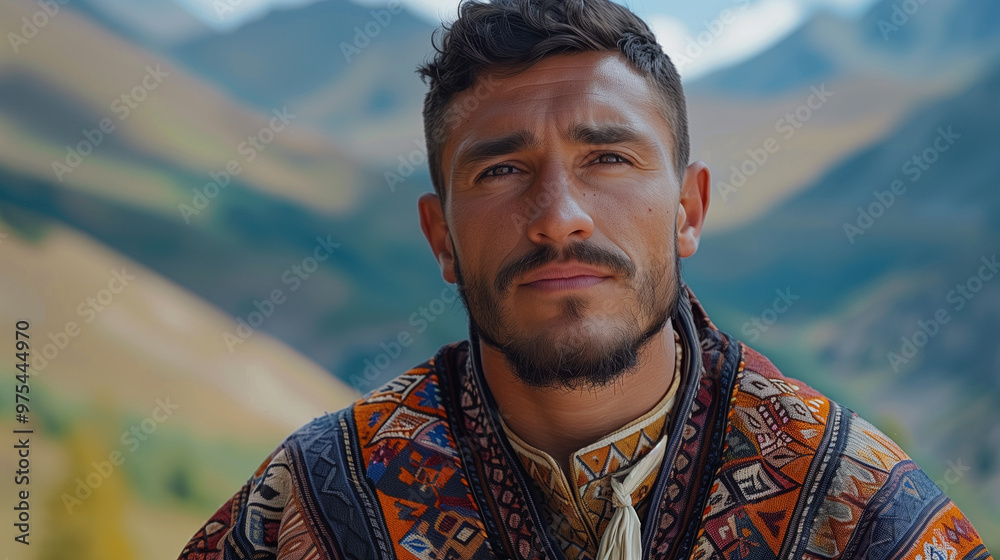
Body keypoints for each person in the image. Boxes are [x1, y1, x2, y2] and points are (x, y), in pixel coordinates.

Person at [177, 0, 992, 558]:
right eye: (500, 170)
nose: (559, 215)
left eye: (607, 157)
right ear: (442, 237)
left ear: (688, 208)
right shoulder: (320, 501)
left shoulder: (861, 512)